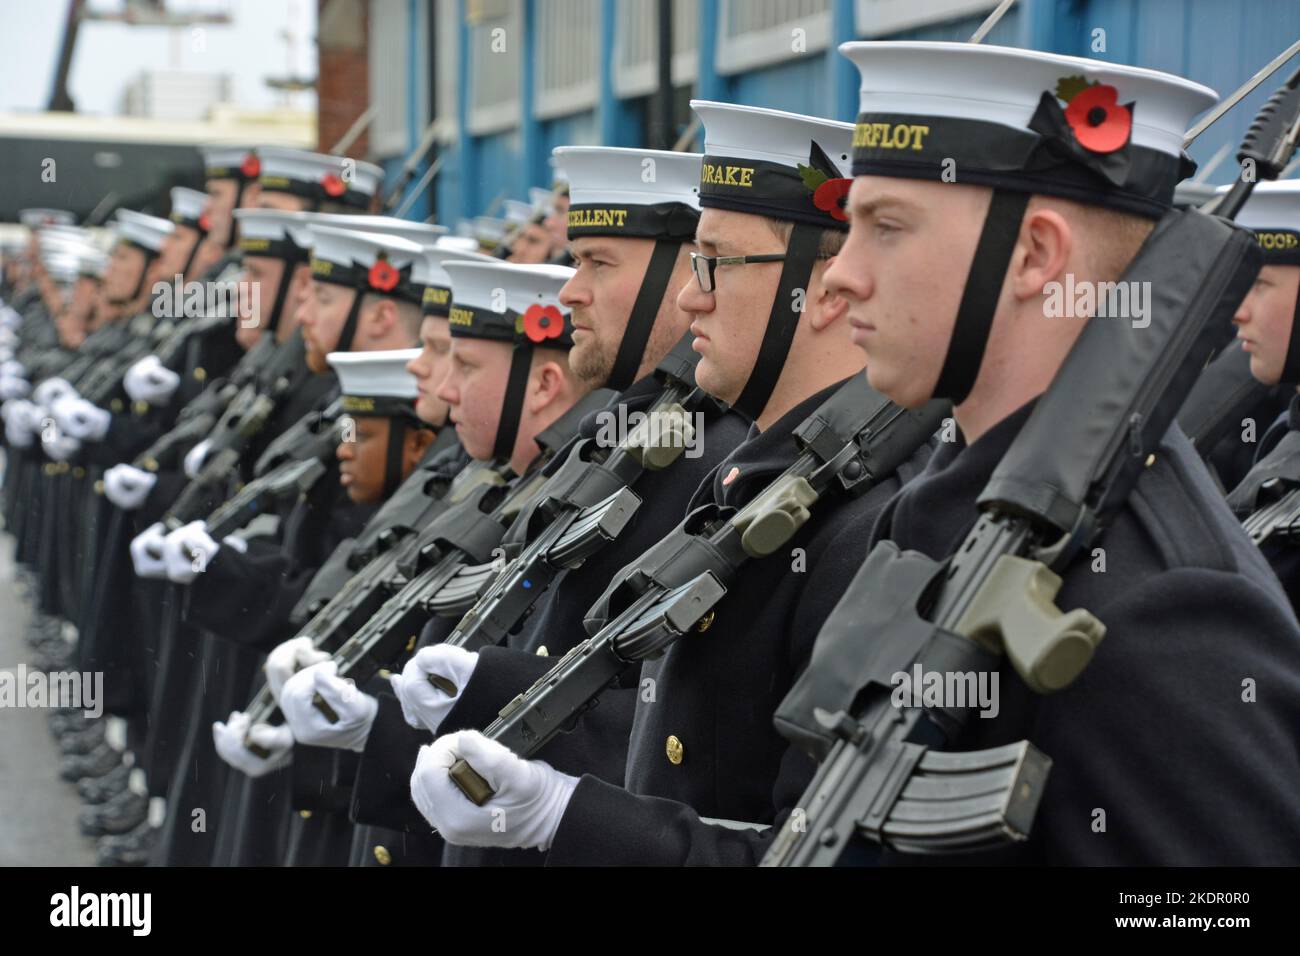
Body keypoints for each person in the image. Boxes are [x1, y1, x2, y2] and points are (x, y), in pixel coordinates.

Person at [407, 101, 930, 865]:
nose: (692, 297)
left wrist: (565, 814)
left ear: (824, 289)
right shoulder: (745, 481)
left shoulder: (869, 523)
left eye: (714, 262)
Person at [817, 40, 1300, 863]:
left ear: (1036, 255)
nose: (839, 278)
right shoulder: (942, 505)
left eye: (886, 228)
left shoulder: (1164, 608)